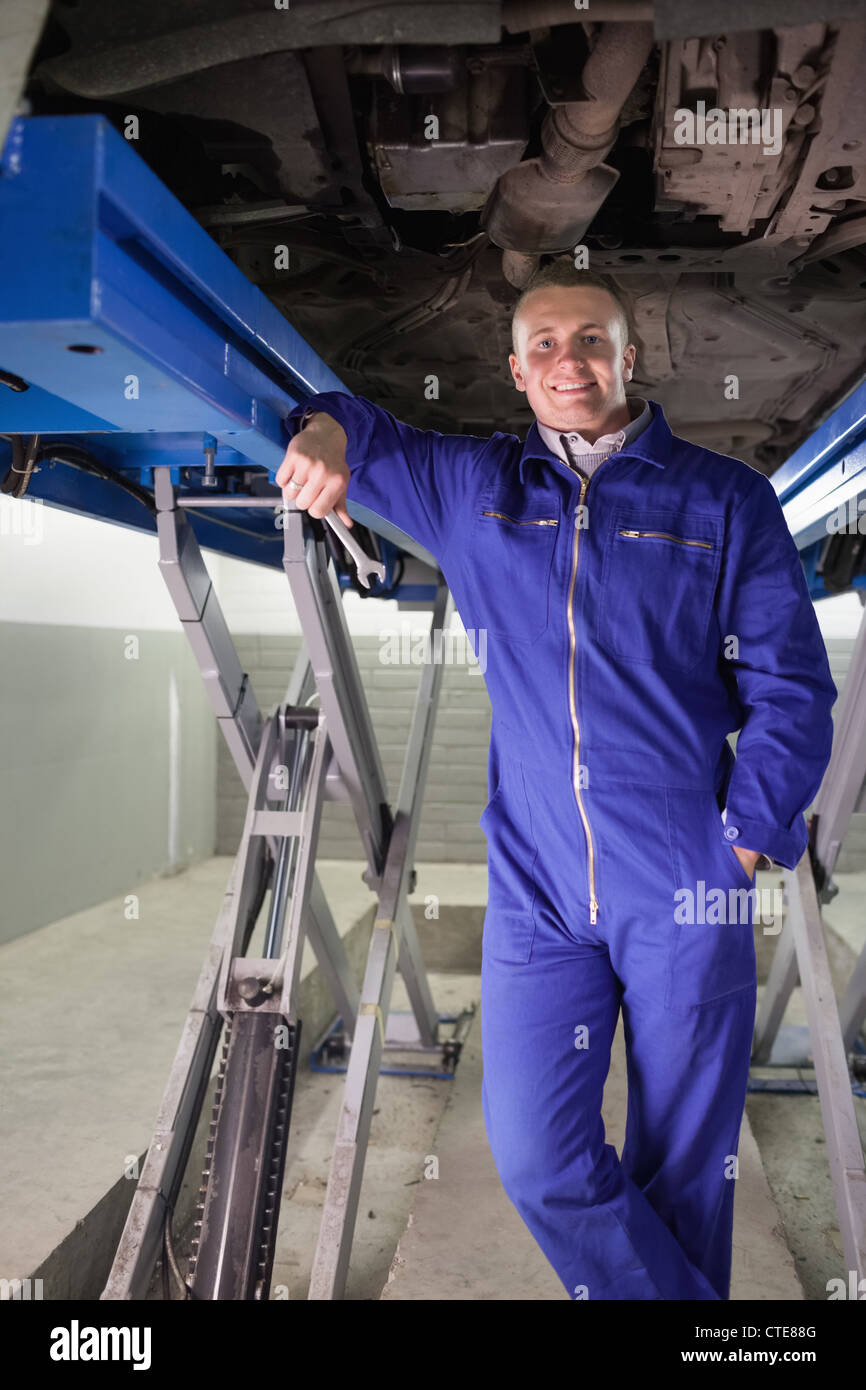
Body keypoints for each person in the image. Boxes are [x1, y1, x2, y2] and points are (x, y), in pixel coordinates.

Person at [276, 261, 837, 1300]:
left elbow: (791, 689)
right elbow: (362, 429)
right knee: (536, 1155)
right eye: (543, 344)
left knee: (684, 1172)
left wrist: (744, 839)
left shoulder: (725, 500)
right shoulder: (472, 488)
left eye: (590, 340)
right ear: (513, 372)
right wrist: (320, 430)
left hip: (682, 875)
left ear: (629, 356)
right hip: (536, 885)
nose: (567, 361)